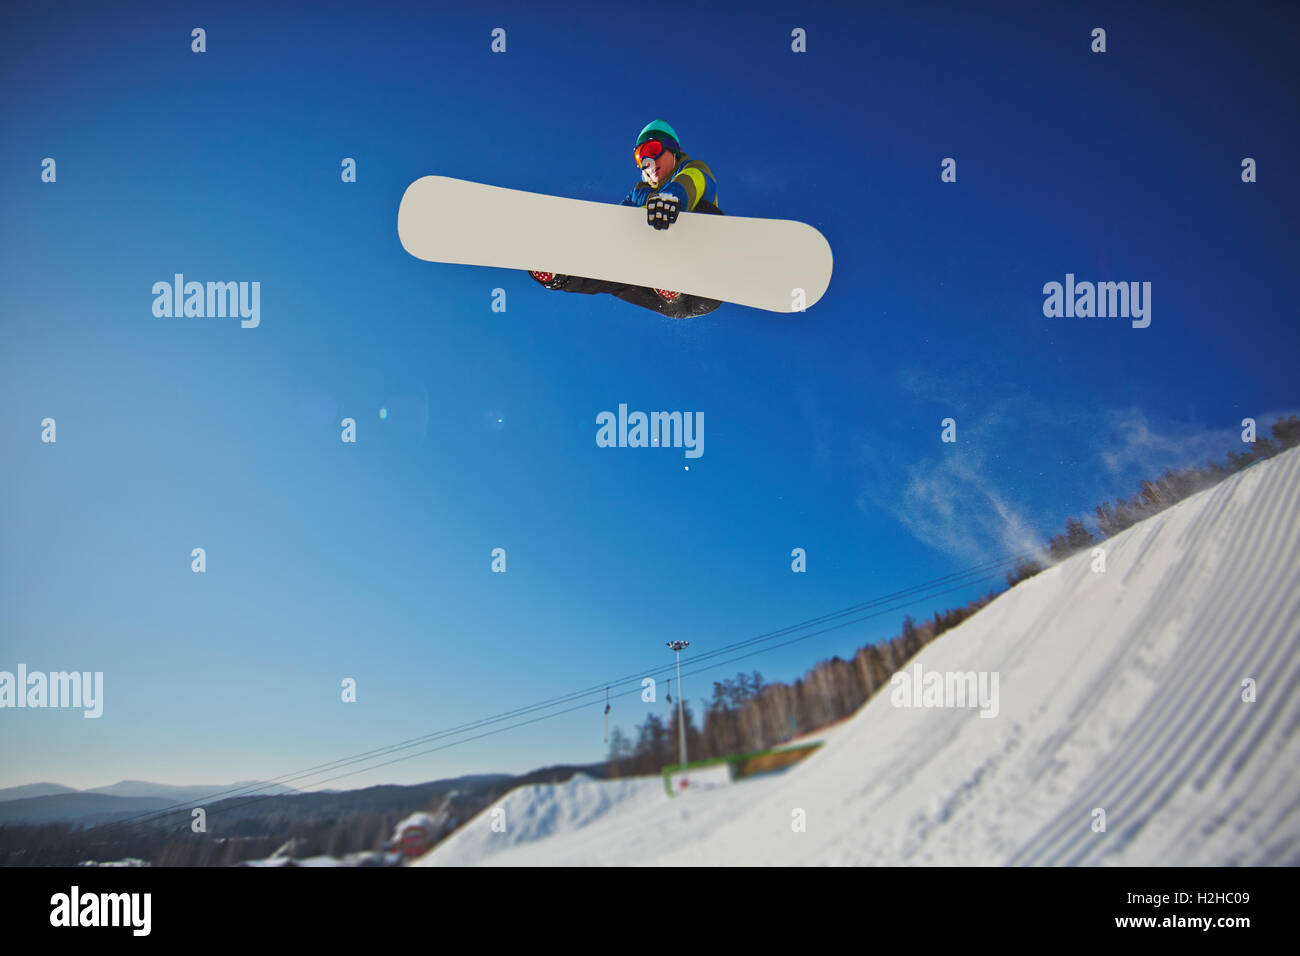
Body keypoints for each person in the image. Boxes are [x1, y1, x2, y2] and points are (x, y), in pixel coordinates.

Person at [528, 120, 724, 318]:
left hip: (702, 278)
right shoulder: (638, 195)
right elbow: (614, 231)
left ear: (673, 150)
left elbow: (693, 181)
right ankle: (564, 273)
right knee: (620, 263)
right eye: (641, 158)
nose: (649, 162)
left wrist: (673, 198)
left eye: (653, 149)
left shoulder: (694, 170)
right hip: (666, 297)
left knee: (697, 210)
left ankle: (672, 269)